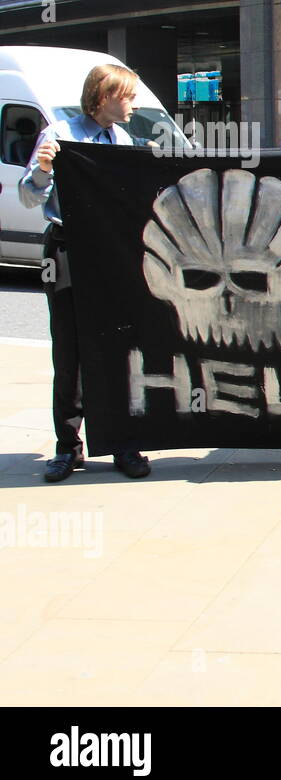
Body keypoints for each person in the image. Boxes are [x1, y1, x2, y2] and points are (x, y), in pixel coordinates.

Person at [19, 64, 153, 483]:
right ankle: (68, 448)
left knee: (119, 345)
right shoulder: (60, 135)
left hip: (111, 251)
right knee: (71, 350)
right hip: (67, 249)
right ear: (103, 96)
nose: (133, 103)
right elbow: (28, 194)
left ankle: (122, 442)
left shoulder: (123, 139)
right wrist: (43, 169)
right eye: (127, 95)